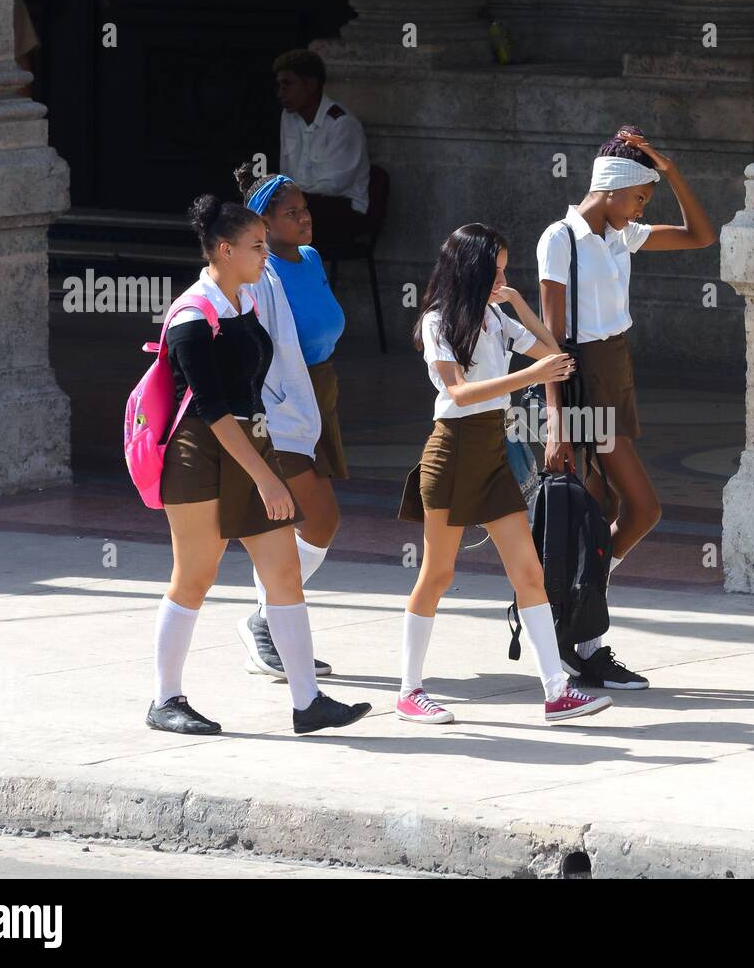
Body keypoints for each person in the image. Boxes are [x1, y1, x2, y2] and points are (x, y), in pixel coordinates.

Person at [147, 194, 369, 736]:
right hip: (200, 452)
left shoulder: (245, 303)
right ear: (224, 250)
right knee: (194, 577)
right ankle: (166, 700)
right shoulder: (191, 315)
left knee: (284, 573)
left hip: (249, 443)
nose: (265, 255)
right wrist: (266, 475)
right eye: (255, 245)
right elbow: (212, 408)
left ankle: (307, 703)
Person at [395, 223, 613, 724]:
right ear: (470, 270)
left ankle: (556, 690)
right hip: (451, 452)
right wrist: (531, 376)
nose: (501, 278)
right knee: (438, 573)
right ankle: (409, 690)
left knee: (528, 573)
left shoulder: (495, 315)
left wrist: (518, 303)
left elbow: (553, 351)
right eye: (494, 270)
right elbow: (460, 393)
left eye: (505, 270)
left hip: (493, 451)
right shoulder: (436, 322)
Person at [536, 125, 716, 690]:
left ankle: (574, 625)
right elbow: (550, 339)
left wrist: (670, 171)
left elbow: (699, 236)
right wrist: (559, 421)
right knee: (636, 508)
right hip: (583, 381)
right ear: (610, 190)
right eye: (638, 197)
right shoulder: (560, 239)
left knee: (606, 513)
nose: (641, 209)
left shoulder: (622, 235)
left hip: (616, 371)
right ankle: (575, 626)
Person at [231, 166, 348, 680]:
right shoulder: (261, 274)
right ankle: (266, 619)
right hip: (280, 401)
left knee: (313, 521)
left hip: (319, 392)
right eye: (292, 213)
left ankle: (270, 618)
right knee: (313, 518)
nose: (305, 219)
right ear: (264, 222)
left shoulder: (314, 257)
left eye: (306, 209)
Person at [274, 49, 371, 239]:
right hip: (303, 203)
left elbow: (334, 185)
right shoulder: (288, 117)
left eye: (287, 85)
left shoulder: (342, 123)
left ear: (310, 84)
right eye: (279, 85)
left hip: (342, 209)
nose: (280, 93)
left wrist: (289, 201)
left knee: (283, 224)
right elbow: (286, 171)